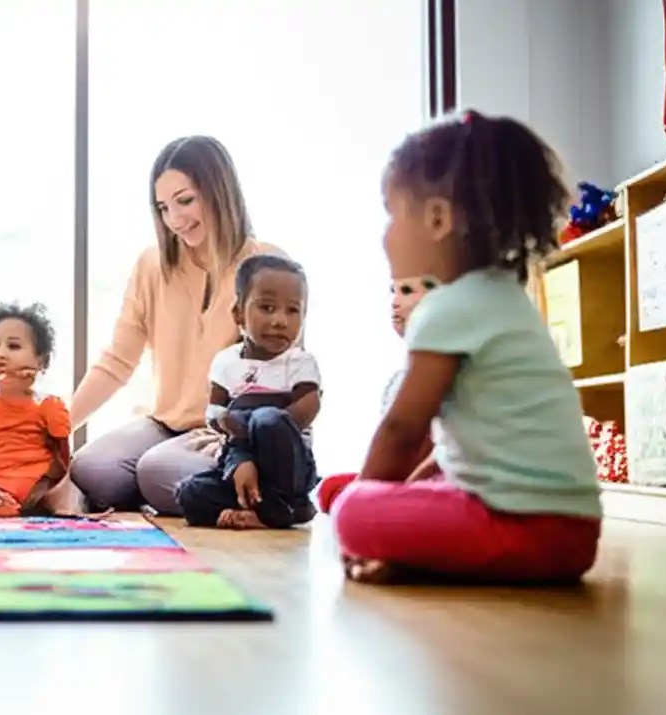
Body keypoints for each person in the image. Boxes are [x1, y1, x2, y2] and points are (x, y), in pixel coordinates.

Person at [334, 110, 602, 584]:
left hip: (526, 529)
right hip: (570, 529)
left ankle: (400, 546)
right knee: (342, 489)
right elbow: (453, 451)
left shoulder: (447, 309)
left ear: (437, 218)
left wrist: (362, 513)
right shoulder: (501, 297)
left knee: (350, 507)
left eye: (391, 215)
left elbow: (403, 429)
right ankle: (407, 542)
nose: (384, 234)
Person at [70, 135, 287, 514]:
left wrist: (239, 442)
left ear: (219, 190)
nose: (175, 220)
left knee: (156, 470)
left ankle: (257, 493)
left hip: (228, 433)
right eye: (163, 208)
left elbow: (280, 378)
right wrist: (59, 428)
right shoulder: (152, 265)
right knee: (91, 468)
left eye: (185, 201)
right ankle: (192, 493)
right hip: (164, 423)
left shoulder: (266, 265)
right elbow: (117, 361)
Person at [175, 254, 321, 529]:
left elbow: (304, 411)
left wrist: (252, 437)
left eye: (292, 311)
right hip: (238, 457)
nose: (280, 320)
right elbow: (215, 412)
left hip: (286, 469)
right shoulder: (227, 362)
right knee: (189, 494)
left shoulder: (300, 362)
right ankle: (258, 510)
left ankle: (285, 507)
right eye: (267, 308)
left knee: (268, 419)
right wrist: (240, 459)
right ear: (238, 313)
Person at [316, 275, 439, 513]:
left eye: (406, 291)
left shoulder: (435, 372)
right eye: (392, 291)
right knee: (329, 488)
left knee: (351, 505)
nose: (394, 301)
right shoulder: (399, 376)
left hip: (431, 477)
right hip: (401, 477)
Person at [0, 302, 73, 517]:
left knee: (69, 492)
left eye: (13, 346)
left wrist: (45, 486)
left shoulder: (47, 406)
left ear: (41, 361)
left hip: (45, 492)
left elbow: (63, 459)